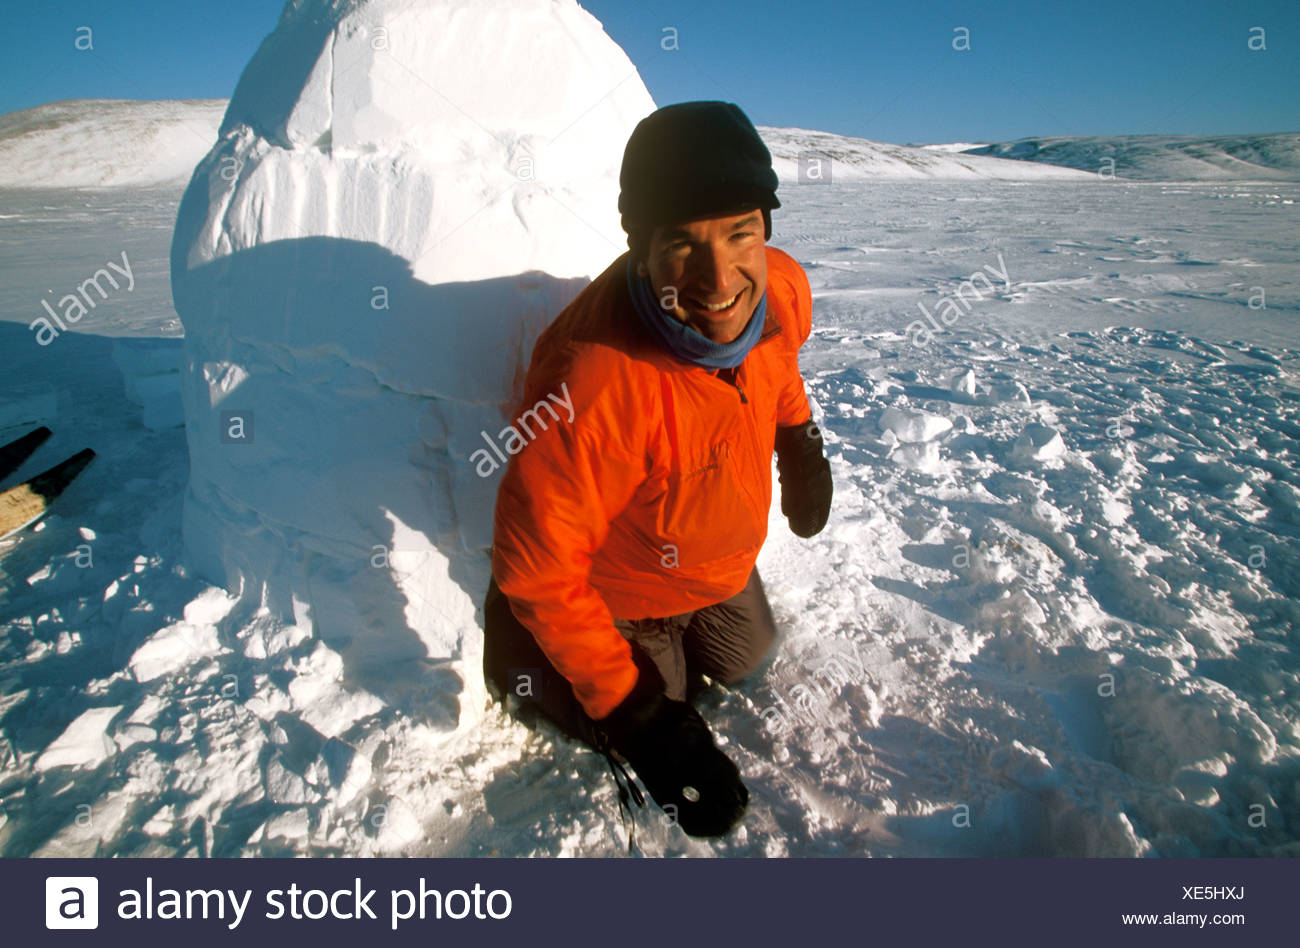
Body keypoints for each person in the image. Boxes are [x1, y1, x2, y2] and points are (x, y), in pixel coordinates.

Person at [483, 101, 833, 838]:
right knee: (648, 711)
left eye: (740, 232)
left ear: (766, 228)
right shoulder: (595, 380)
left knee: (751, 666)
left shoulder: (780, 288)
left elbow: (778, 361)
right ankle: (526, 662)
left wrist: (799, 440)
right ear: (641, 248)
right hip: (627, 590)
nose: (718, 278)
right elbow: (537, 566)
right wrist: (638, 717)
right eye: (681, 243)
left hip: (716, 567)